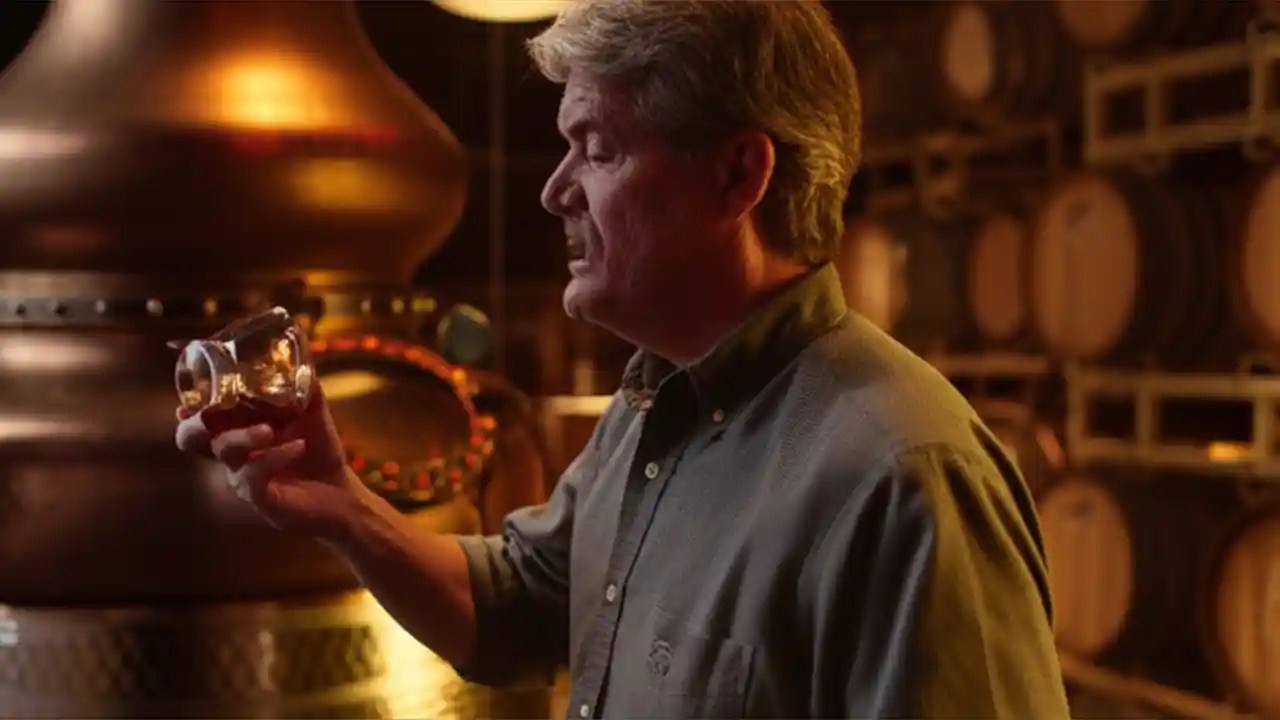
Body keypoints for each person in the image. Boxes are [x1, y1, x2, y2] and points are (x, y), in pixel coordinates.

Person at [175, 1, 1070, 717]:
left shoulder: (906, 477)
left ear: (737, 176)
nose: (554, 188)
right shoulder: (656, 401)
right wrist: (343, 508)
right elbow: (524, 606)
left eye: (596, 148)